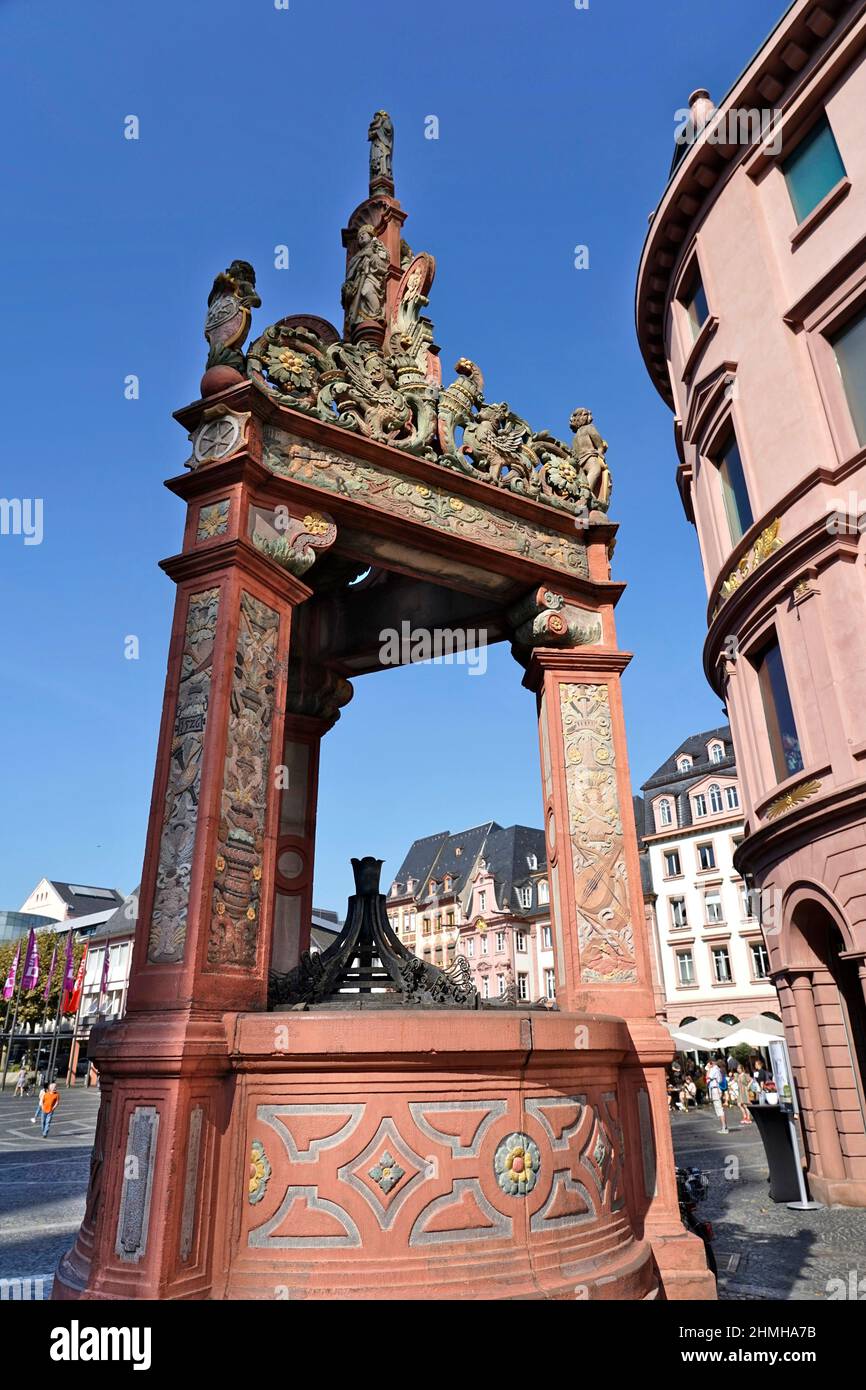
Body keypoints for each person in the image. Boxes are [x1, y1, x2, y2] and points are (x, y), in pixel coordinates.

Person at [705, 1059, 728, 1133]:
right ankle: (724, 1127)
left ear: (711, 1063)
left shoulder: (714, 1069)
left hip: (716, 1089)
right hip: (715, 1089)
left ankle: (724, 1127)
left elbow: (708, 1076)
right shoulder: (716, 1069)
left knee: (719, 1109)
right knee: (718, 1109)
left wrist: (708, 1069)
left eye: (708, 1063)